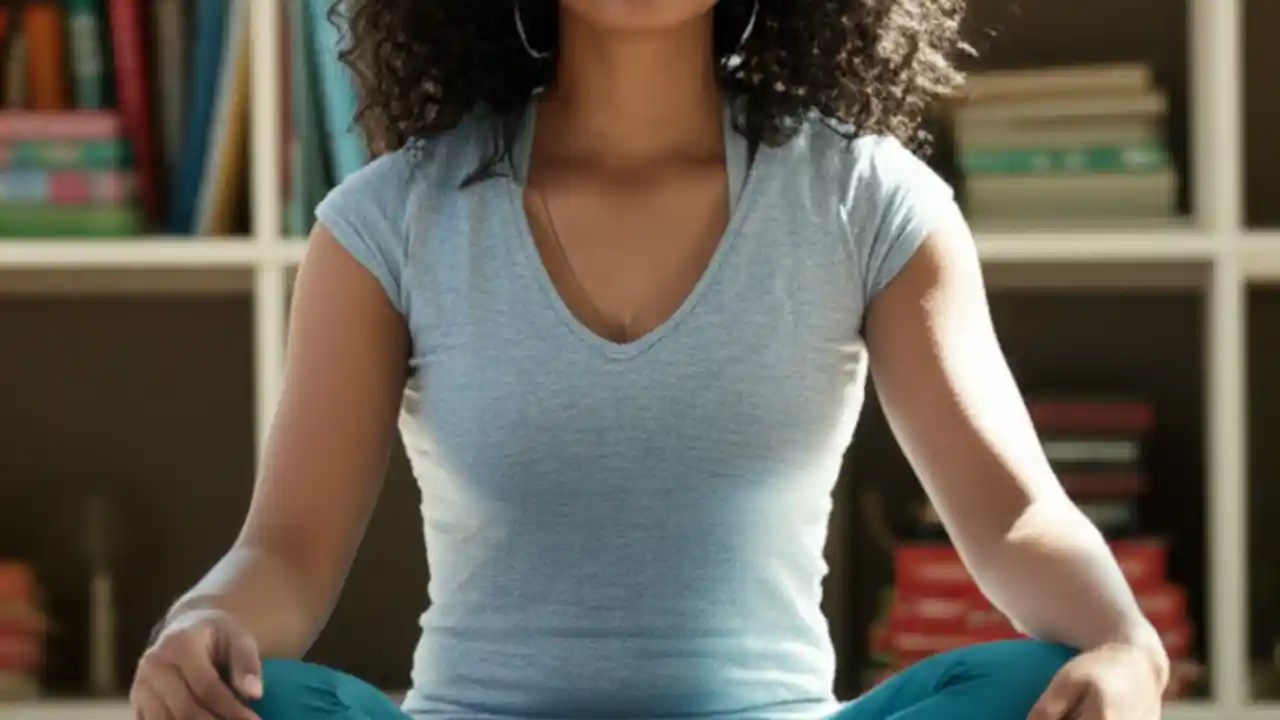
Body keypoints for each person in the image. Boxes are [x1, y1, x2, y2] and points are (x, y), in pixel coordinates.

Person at [129, 1, 1171, 718]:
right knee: (257, 700)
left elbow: (1013, 518)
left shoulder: (867, 202)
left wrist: (1127, 644)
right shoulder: (386, 222)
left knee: (1035, 684)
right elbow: (288, 554)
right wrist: (203, 627)